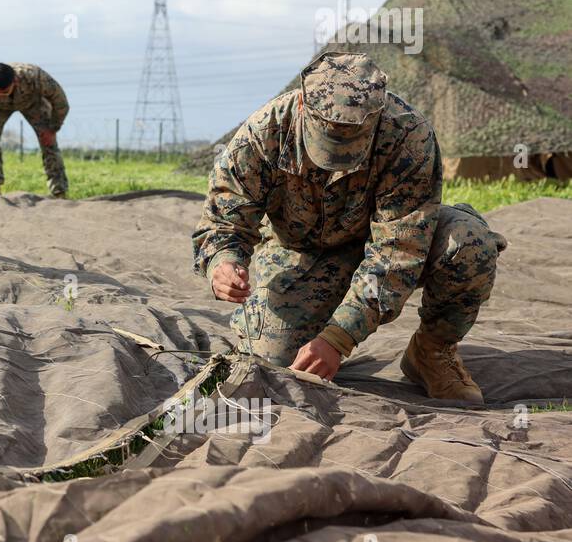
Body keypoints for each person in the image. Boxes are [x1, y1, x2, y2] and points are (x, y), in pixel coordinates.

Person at [191, 52, 506, 403]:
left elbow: (399, 251)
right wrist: (223, 261)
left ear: (378, 114)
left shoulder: (409, 136)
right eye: (328, 141)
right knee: (273, 365)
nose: (337, 162)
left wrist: (338, 338)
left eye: (351, 142)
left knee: (468, 243)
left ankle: (431, 352)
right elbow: (224, 216)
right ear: (303, 105)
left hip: (385, 246)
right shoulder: (265, 132)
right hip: (301, 254)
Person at [0, 62, 69, 197]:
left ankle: (59, 193)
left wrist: (53, 128)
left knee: (48, 142)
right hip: (0, 108)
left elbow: (60, 101)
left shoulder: (35, 76)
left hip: (33, 102)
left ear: (15, 82)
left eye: (4, 92)